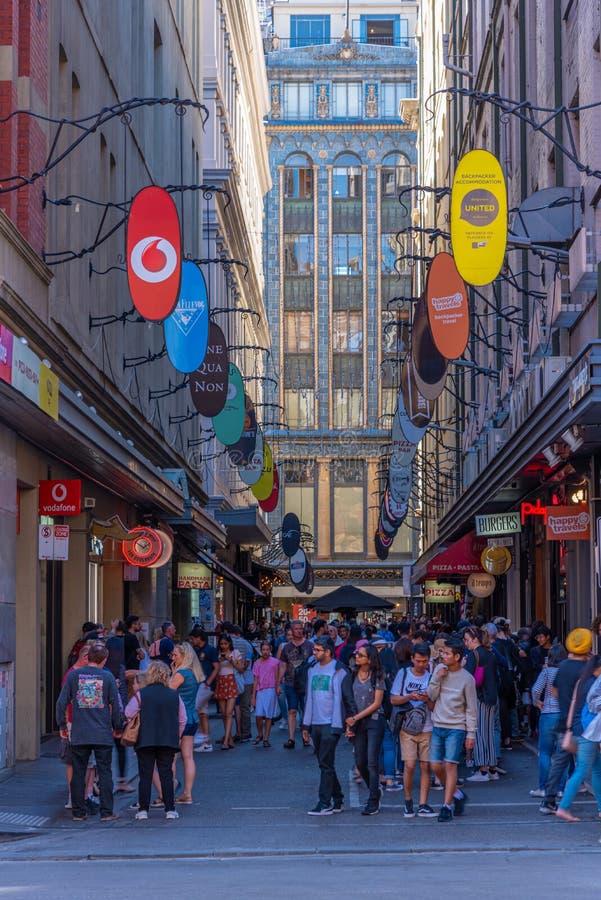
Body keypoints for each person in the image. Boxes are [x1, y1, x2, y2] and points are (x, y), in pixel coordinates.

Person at [56, 642, 122, 822]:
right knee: (105, 772)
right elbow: (115, 706)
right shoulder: (108, 677)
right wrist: (118, 727)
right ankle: (107, 812)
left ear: (88, 657)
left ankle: (78, 812)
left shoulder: (74, 676)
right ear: (105, 659)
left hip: (80, 732)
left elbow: (61, 703)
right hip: (102, 733)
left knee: (78, 772)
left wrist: (62, 726)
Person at [125, 663, 187, 820]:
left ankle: (143, 810)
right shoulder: (174, 695)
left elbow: (128, 712)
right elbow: (182, 719)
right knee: (166, 774)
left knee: (145, 775)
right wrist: (177, 735)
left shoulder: (141, 694)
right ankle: (170, 809)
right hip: (167, 739)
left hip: (145, 739)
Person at [540, 628, 591, 815]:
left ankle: (549, 800)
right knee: (591, 763)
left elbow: (554, 691)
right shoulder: (589, 668)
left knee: (559, 761)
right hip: (586, 722)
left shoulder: (563, 666)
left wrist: (565, 700)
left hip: (565, 720)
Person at [302, 636, 353, 816]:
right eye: (314, 649)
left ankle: (325, 802)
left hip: (332, 723)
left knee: (325, 763)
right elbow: (308, 698)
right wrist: (305, 725)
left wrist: (348, 723)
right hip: (315, 722)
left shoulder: (340, 670)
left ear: (328, 651)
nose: (313, 653)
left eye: (317, 650)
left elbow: (347, 698)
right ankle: (337, 799)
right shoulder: (312, 669)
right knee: (326, 763)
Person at [427, 639, 477, 822]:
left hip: (456, 726)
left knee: (450, 764)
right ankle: (457, 794)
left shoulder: (467, 679)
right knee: (435, 765)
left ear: (457, 657)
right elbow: (431, 696)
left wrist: (471, 733)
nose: (443, 656)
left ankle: (446, 806)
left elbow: (472, 708)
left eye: (447, 653)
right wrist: (437, 678)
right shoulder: (439, 670)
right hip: (438, 724)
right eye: (443, 653)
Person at [390, 642, 436, 818]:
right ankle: (408, 801)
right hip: (407, 727)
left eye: (425, 661)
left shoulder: (431, 678)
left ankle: (423, 803)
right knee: (409, 765)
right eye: (418, 661)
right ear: (412, 659)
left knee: (426, 766)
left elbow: (434, 706)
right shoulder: (403, 675)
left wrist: (426, 699)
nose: (421, 665)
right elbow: (393, 700)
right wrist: (409, 696)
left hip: (427, 726)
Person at [555, 654, 601, 822]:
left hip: (577, 728)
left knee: (596, 768)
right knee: (583, 769)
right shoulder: (595, 684)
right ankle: (564, 807)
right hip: (588, 731)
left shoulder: (582, 682)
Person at [347, 644, 385, 815]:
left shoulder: (377, 675)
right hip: (358, 722)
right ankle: (374, 790)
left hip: (375, 720)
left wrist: (355, 718)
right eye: (357, 654)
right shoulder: (352, 674)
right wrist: (350, 722)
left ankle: (373, 800)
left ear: (370, 659)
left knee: (371, 761)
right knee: (360, 761)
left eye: (361, 655)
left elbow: (377, 703)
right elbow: (348, 699)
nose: (357, 657)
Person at [530, 643, 567, 797]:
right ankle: (560, 788)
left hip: (547, 713)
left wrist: (537, 702)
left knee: (544, 752)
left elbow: (536, 689)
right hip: (563, 714)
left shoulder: (546, 672)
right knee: (561, 754)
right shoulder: (566, 672)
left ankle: (543, 787)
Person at [463, 626, 499, 782]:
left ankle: (483, 769)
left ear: (475, 639)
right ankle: (492, 768)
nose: (465, 643)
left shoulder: (474, 655)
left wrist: (463, 665)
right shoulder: (490, 653)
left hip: (480, 696)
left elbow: (468, 678)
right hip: (491, 696)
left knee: (478, 732)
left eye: (466, 640)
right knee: (489, 732)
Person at [169, 642, 203, 804]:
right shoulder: (192, 674)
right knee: (188, 756)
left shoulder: (179, 674)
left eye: (175, 655)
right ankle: (187, 793)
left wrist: (172, 672)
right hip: (192, 717)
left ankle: (166, 793)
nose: (173, 658)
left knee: (171, 758)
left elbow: (167, 692)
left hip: (178, 719)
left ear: (184, 657)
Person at [278, 620, 314, 749]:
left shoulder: (310, 646)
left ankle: (306, 737)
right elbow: (282, 665)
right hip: (290, 682)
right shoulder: (286, 647)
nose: (299, 631)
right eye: (296, 629)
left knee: (306, 710)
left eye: (300, 628)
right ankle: (291, 738)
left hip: (306, 683)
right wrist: (278, 683)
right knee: (292, 710)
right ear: (291, 631)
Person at [189, 626, 219, 753]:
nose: (191, 641)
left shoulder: (210, 650)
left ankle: (202, 737)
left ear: (198, 638)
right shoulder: (197, 650)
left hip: (205, 684)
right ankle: (206, 741)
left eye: (192, 639)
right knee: (202, 712)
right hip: (200, 683)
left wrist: (209, 682)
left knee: (195, 709)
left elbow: (216, 667)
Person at [214, 634, 246, 749]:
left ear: (230, 643)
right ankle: (229, 738)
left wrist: (231, 660)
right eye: (221, 644)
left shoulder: (236, 653)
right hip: (221, 682)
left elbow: (241, 669)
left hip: (231, 681)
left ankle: (226, 742)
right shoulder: (217, 653)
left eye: (225, 644)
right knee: (223, 714)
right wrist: (219, 660)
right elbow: (215, 668)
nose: (223, 646)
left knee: (228, 713)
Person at [251, 641, 282, 747]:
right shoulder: (257, 663)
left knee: (269, 715)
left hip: (271, 690)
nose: (265, 652)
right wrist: (253, 696)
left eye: (267, 650)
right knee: (258, 714)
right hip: (260, 690)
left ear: (270, 650)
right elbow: (255, 680)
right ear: (261, 650)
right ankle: (260, 734)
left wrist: (278, 688)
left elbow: (277, 677)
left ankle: (266, 738)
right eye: (263, 650)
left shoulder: (275, 662)